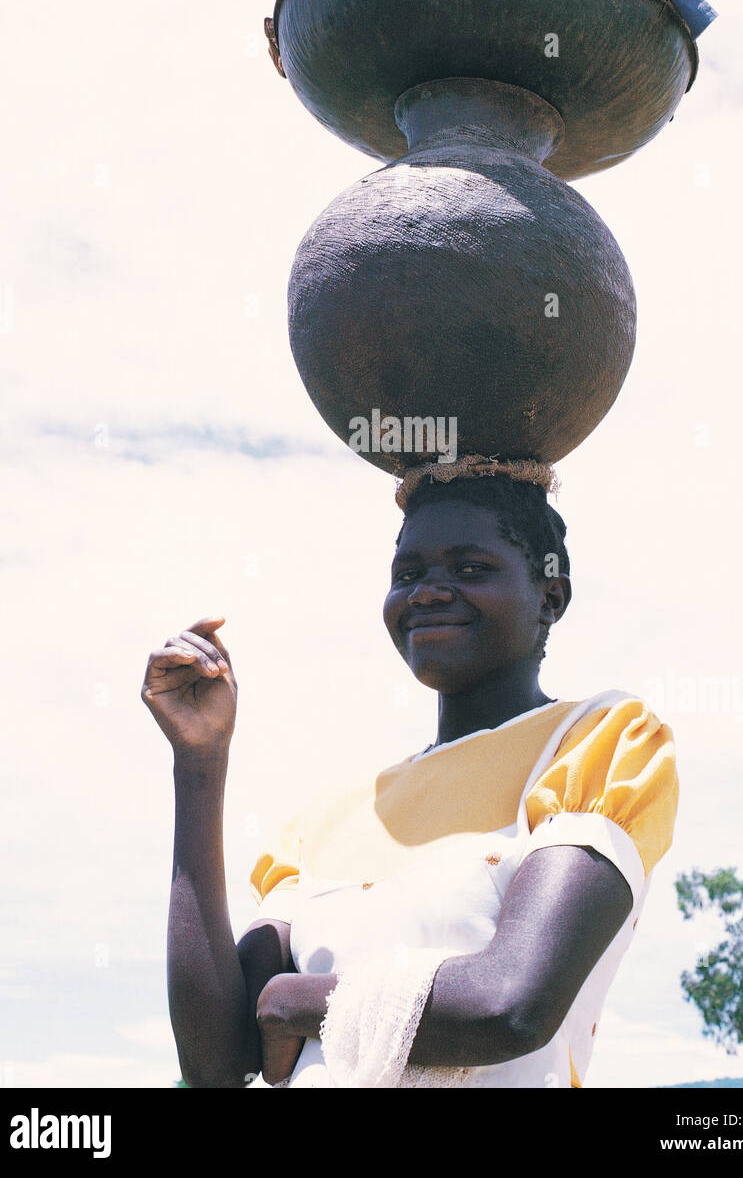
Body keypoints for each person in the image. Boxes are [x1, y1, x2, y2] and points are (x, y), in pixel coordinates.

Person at [141, 464, 678, 1088]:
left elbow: (511, 1007)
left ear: (551, 596)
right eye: (409, 574)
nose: (426, 592)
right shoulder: (328, 820)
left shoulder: (594, 745)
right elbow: (217, 1064)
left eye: (470, 569)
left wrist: (299, 1001)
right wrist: (199, 762)